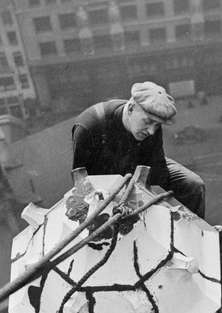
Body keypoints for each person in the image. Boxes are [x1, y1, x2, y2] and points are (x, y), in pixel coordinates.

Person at [72, 82, 206, 218]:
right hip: (104, 176)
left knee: (194, 185)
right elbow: (81, 181)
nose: (152, 131)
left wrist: (154, 203)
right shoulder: (89, 126)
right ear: (130, 109)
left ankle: (192, 233)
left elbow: (158, 172)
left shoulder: (151, 129)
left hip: (138, 168)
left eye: (157, 125)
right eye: (147, 122)